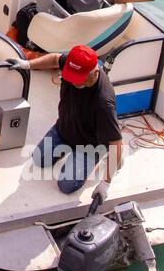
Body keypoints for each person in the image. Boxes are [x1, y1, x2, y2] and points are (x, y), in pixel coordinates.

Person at [10, 45, 123, 197]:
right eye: (71, 76)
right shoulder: (74, 62)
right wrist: (28, 65)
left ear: (95, 73)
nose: (74, 82)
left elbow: (116, 144)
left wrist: (105, 183)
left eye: (79, 79)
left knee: (66, 185)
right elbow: (55, 58)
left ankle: (100, 157)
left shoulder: (103, 102)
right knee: (38, 159)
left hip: (89, 144)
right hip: (64, 129)